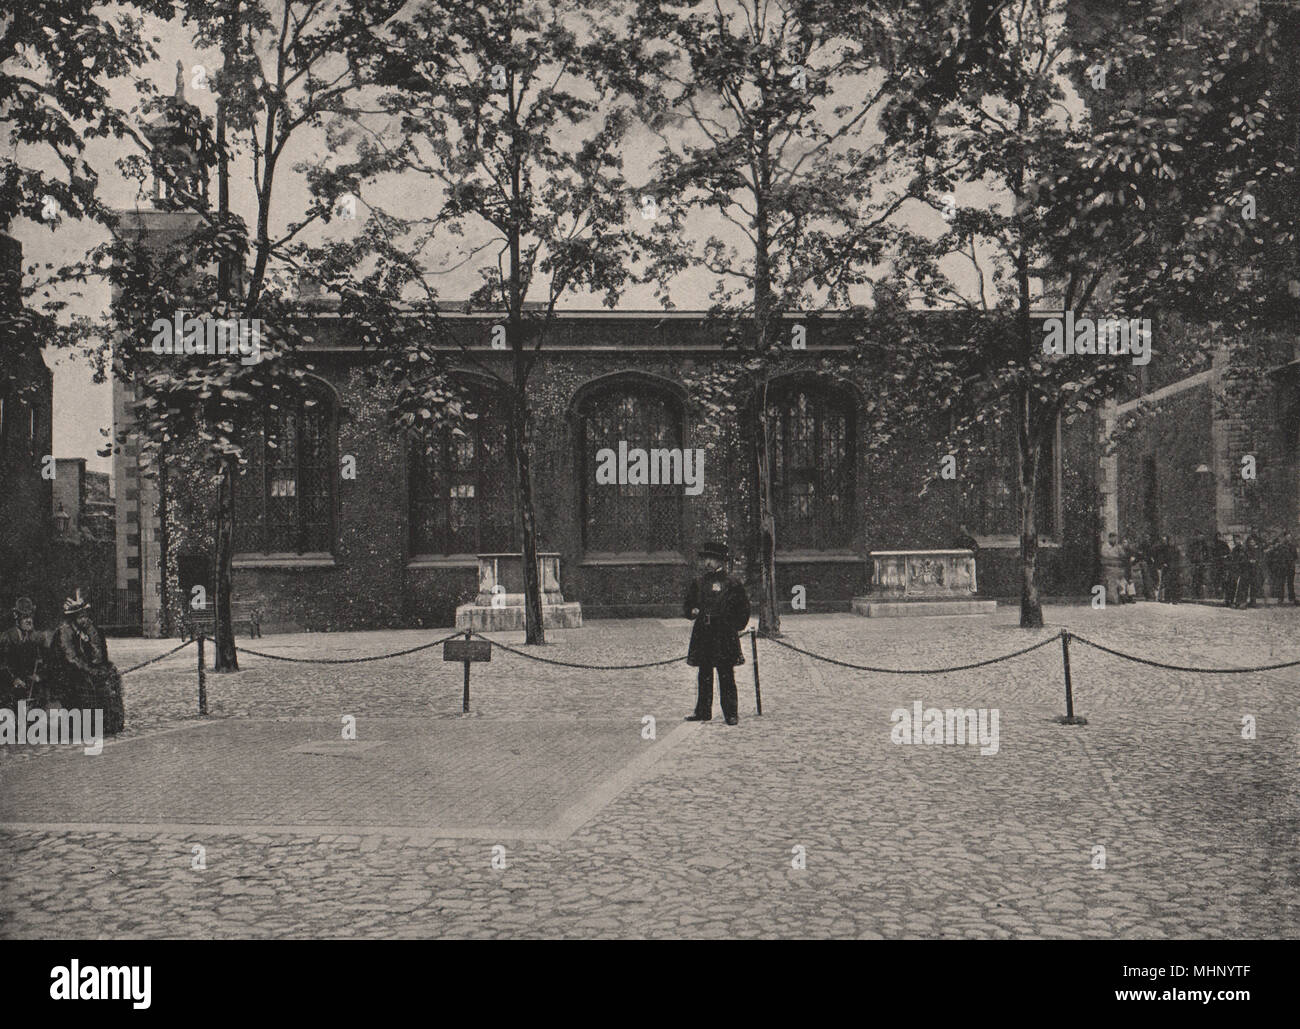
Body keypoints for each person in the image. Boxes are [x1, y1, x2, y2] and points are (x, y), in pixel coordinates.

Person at [683, 542, 750, 726]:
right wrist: (692, 611)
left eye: (712, 559)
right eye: (706, 559)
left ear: (720, 560)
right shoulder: (699, 583)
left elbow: (743, 608)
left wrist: (734, 626)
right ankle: (703, 711)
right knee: (704, 673)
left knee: (726, 673)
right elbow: (688, 605)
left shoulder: (732, 583)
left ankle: (731, 713)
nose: (708, 563)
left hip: (724, 634)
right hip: (704, 633)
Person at [47, 590, 125, 734]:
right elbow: (69, 658)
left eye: (85, 616)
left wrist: (102, 668)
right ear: (73, 618)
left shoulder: (92, 631)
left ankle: (107, 720)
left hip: (88, 670)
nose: (85, 619)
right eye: (81, 616)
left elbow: (100, 654)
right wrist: (88, 670)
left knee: (108, 681)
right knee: (83, 685)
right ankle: (81, 723)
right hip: (67, 673)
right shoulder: (64, 633)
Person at [0, 597, 45, 707]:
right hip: (10, 689)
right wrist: (14, 679)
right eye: (25, 617)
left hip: (31, 688)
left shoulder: (35, 637)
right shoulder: (8, 637)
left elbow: (43, 661)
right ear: (17, 618)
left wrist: (39, 675)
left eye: (30, 617)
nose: (29, 620)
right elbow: (3, 665)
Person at [1100, 532, 1127, 607]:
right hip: (1109, 567)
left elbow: (1123, 555)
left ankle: (1121, 596)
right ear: (1109, 538)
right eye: (1113, 538)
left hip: (1118, 567)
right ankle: (1113, 599)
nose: (1114, 539)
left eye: (1116, 538)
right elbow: (1105, 555)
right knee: (1111, 582)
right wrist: (1115, 557)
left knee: (1121, 581)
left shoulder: (1118, 547)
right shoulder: (1105, 546)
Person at [1188, 530, 1208, 601]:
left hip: (1202, 564)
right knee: (1195, 580)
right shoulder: (1193, 545)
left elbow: (1207, 554)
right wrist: (1193, 560)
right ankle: (1194, 595)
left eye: (1202, 536)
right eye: (1199, 536)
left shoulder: (1204, 545)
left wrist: (1205, 561)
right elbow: (1189, 553)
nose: (1201, 537)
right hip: (1195, 563)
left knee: (1201, 579)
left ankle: (1201, 595)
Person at [1279, 530, 1298, 604]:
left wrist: (1291, 562)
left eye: (1289, 536)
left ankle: (1292, 598)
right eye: (1287, 536)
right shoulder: (1281, 546)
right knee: (1281, 583)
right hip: (1283, 567)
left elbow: (1295, 556)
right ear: (1284, 537)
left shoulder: (1293, 546)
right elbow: (1279, 556)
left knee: (1290, 583)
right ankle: (1280, 598)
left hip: (1290, 567)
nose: (1288, 538)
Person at [1212, 532, 1231, 600]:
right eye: (1217, 537)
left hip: (1223, 564)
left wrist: (1225, 557)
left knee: (1223, 579)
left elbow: (1228, 553)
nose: (1218, 538)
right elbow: (1212, 553)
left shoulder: (1224, 544)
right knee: (1216, 579)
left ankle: (1223, 593)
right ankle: (1218, 594)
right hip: (1216, 564)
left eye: (1219, 536)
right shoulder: (1214, 545)